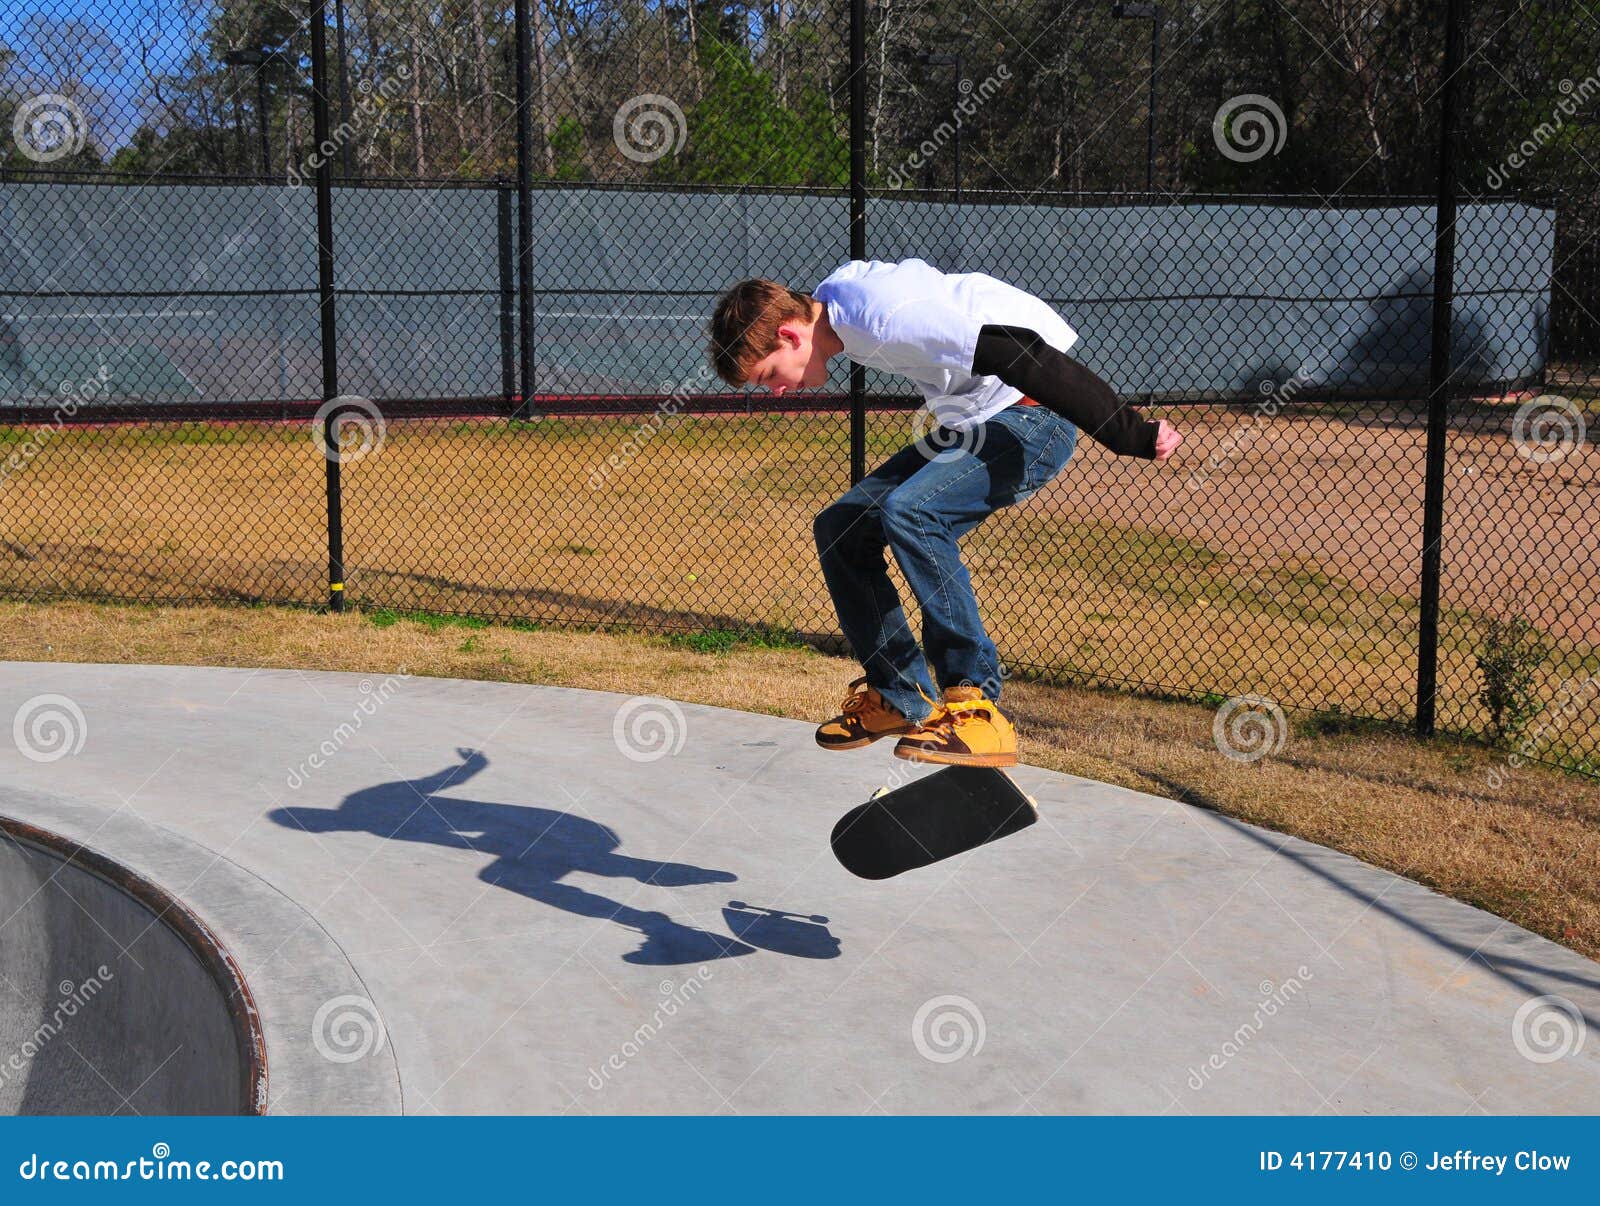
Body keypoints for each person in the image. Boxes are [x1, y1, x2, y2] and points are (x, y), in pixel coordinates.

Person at [706, 258, 1181, 767]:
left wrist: (1126, 430)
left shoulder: (882, 318)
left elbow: (1016, 349)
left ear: (790, 335)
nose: (777, 390)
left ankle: (974, 705)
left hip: (1031, 419)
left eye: (770, 375)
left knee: (913, 512)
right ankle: (898, 692)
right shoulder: (836, 301)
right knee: (841, 527)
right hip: (977, 423)